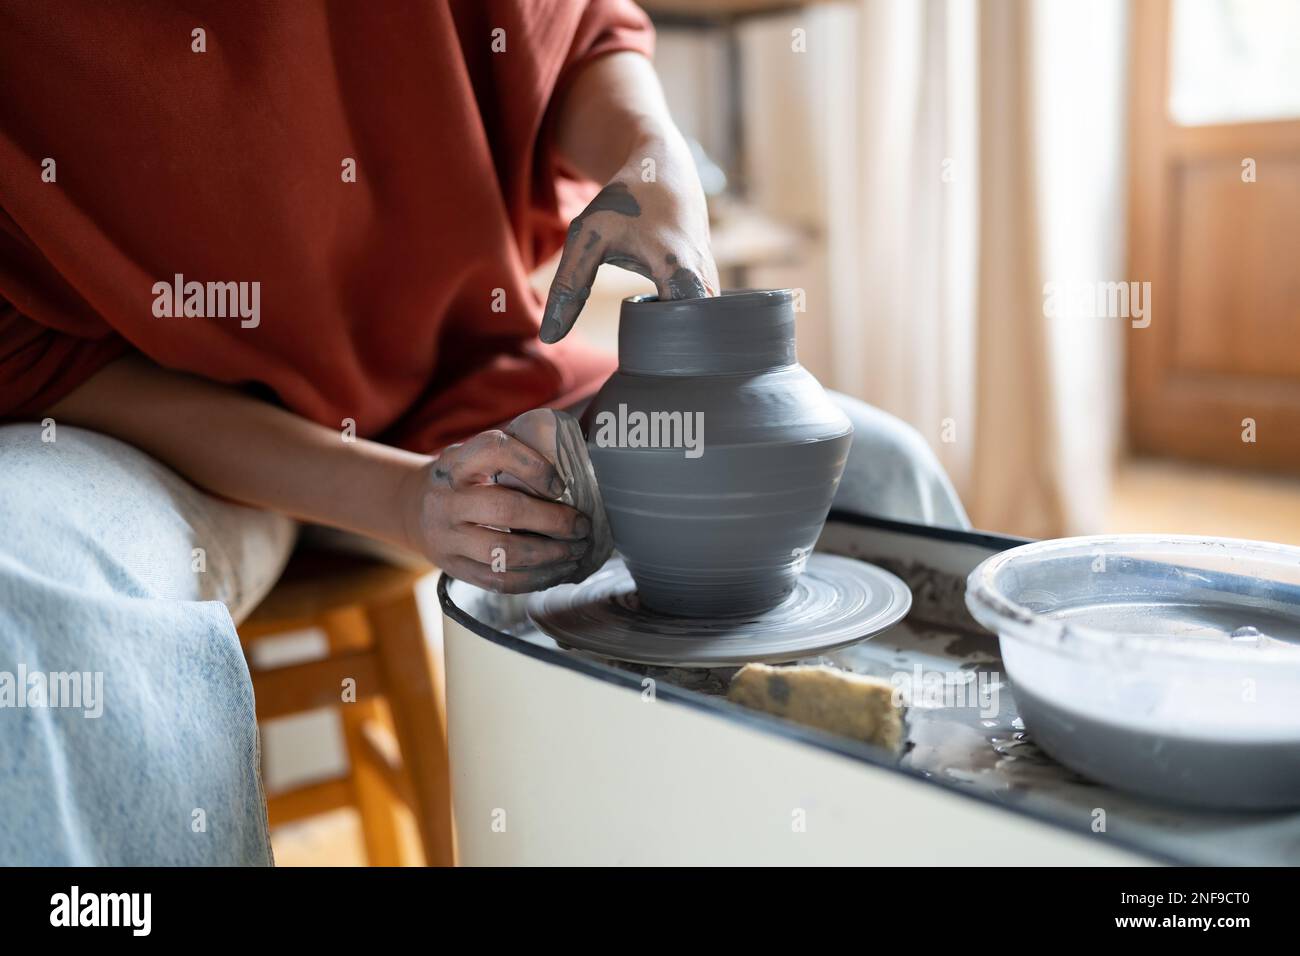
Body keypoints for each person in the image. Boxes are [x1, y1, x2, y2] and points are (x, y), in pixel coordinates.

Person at [0, 2, 964, 864]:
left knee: (876, 476)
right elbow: (33, 355)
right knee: (20, 600)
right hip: (154, 425)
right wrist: (392, 496)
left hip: (465, 377)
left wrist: (651, 156)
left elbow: (579, 36)